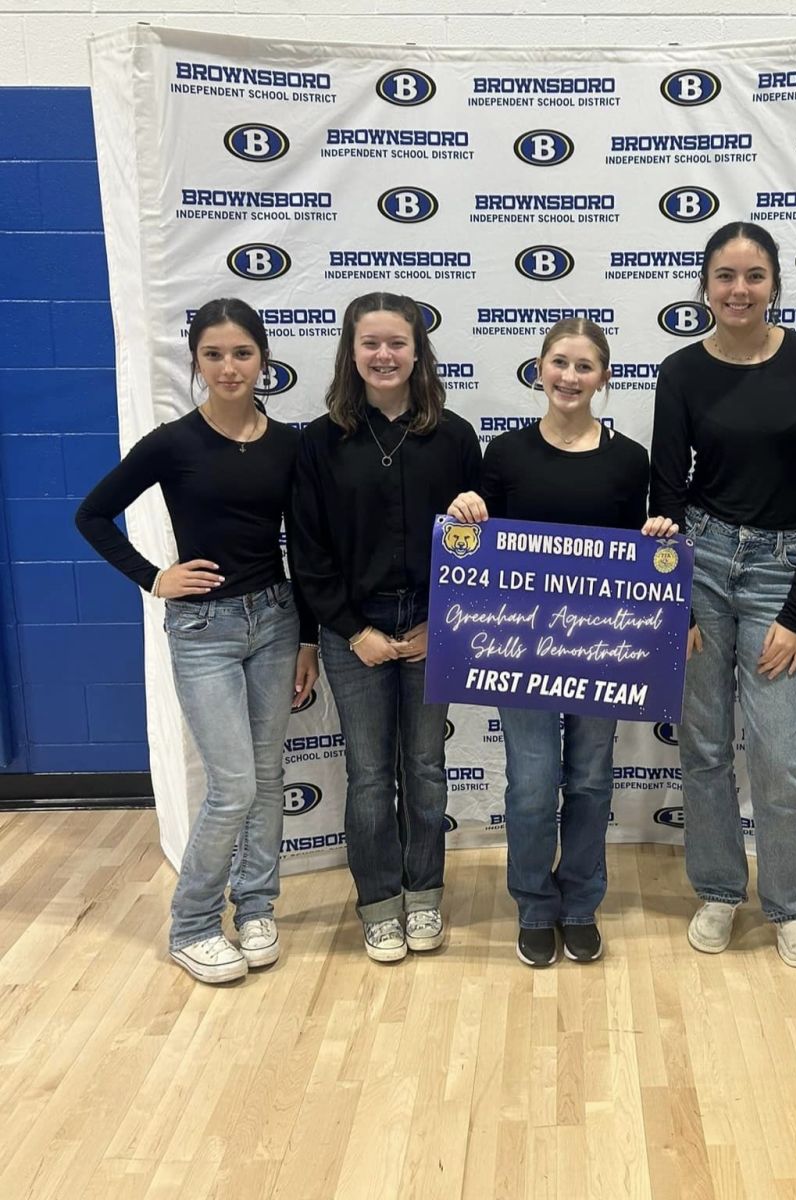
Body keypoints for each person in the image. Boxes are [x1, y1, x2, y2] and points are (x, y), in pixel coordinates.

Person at [75, 298, 319, 984]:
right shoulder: (173, 442)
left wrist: (304, 637)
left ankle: (258, 905)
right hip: (203, 630)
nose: (229, 366)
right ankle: (191, 924)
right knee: (234, 784)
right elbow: (92, 514)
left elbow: (303, 544)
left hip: (275, 621)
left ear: (264, 361)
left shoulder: (289, 445)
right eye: (214, 354)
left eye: (242, 353)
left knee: (266, 776)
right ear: (196, 364)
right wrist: (153, 576)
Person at [650, 221, 796, 967]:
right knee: (703, 744)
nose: (739, 290)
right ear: (705, 284)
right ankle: (719, 891)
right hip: (699, 564)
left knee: (775, 751)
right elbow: (666, 488)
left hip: (779, 567)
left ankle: (791, 904)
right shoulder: (681, 371)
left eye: (754, 275)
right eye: (725, 276)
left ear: (774, 284)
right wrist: (673, 601)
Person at [448, 319, 676, 967]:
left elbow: (645, 550)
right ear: (538, 369)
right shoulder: (506, 455)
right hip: (521, 649)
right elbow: (479, 545)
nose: (570, 376)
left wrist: (658, 535)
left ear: (604, 377)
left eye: (584, 366)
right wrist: (467, 511)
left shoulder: (631, 460)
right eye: (559, 362)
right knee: (531, 783)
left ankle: (580, 903)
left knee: (589, 781)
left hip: (602, 648)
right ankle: (532, 904)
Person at [290, 292, 481, 963]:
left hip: (433, 630)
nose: (384, 355)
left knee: (426, 769)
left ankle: (424, 895)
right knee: (370, 775)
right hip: (356, 636)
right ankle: (379, 904)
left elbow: (480, 548)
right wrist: (348, 630)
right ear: (351, 352)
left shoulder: (454, 436)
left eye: (397, 343)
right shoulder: (320, 440)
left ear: (418, 351)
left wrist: (443, 623)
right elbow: (308, 553)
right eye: (370, 343)